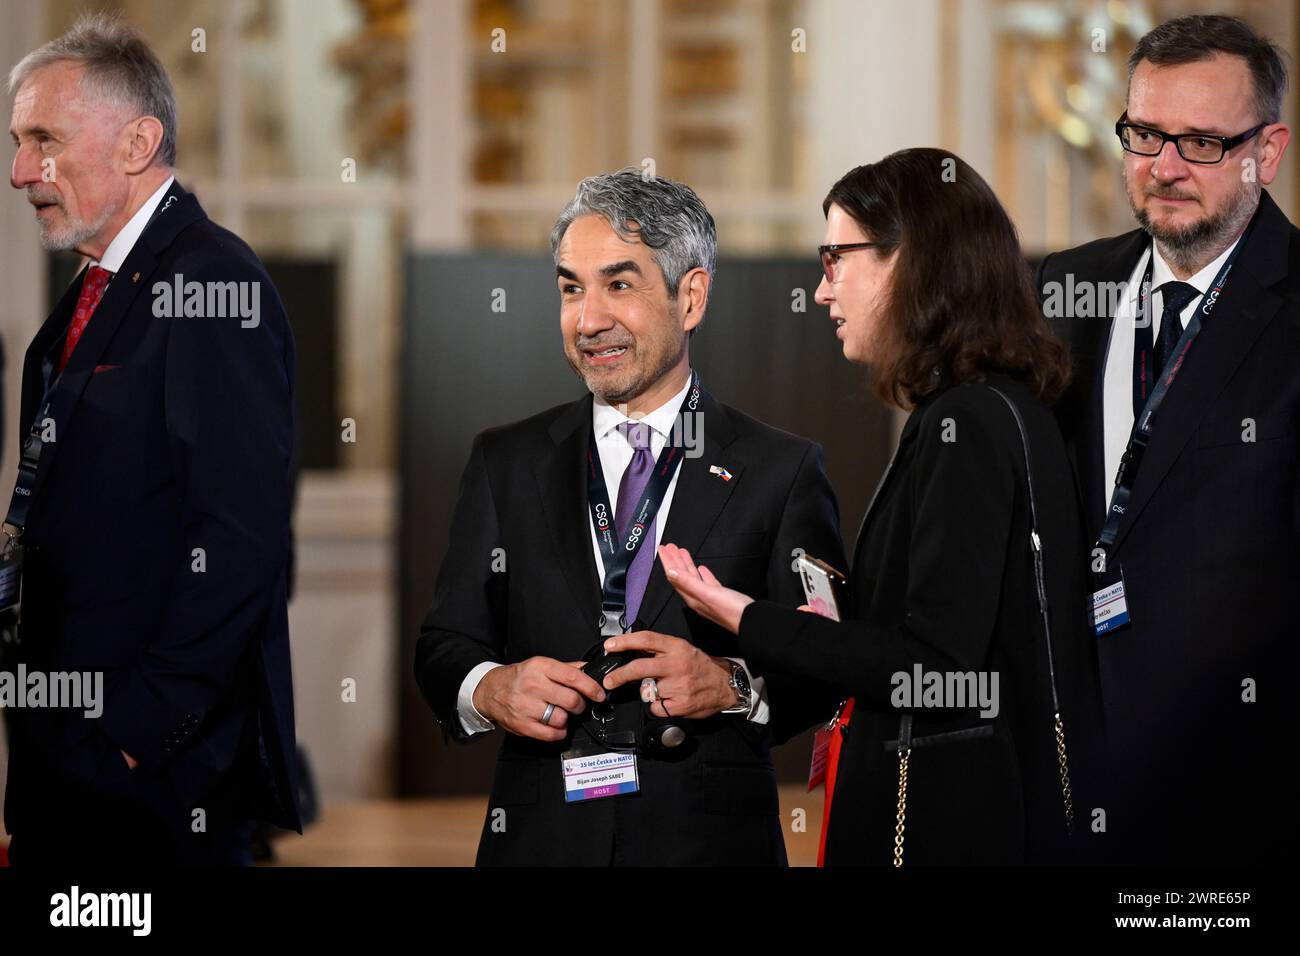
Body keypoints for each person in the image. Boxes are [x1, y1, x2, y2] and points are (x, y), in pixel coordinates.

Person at [636, 149, 1104, 865]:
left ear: (909, 260)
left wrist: (743, 615)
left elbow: (937, 663)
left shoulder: (968, 422)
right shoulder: (1003, 408)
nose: (823, 291)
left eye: (835, 259)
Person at [414, 168, 846, 866]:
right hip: (542, 842)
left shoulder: (781, 469)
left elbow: (828, 662)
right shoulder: (506, 461)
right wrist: (490, 687)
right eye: (570, 288)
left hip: (707, 845)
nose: (589, 320)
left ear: (691, 296)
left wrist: (730, 683)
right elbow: (443, 646)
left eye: (619, 284)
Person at [4, 13, 300, 865]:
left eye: (45, 141)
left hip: (154, 791)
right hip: (69, 768)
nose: (22, 171)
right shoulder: (96, 292)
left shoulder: (212, 283)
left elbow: (239, 543)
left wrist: (135, 736)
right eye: (19, 143)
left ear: (138, 142)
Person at [1036, 14, 1297, 865]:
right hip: (1073, 777)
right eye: (1145, 134)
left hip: (1242, 793)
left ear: (1269, 150)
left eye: (1202, 143)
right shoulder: (1062, 289)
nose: (1165, 167)